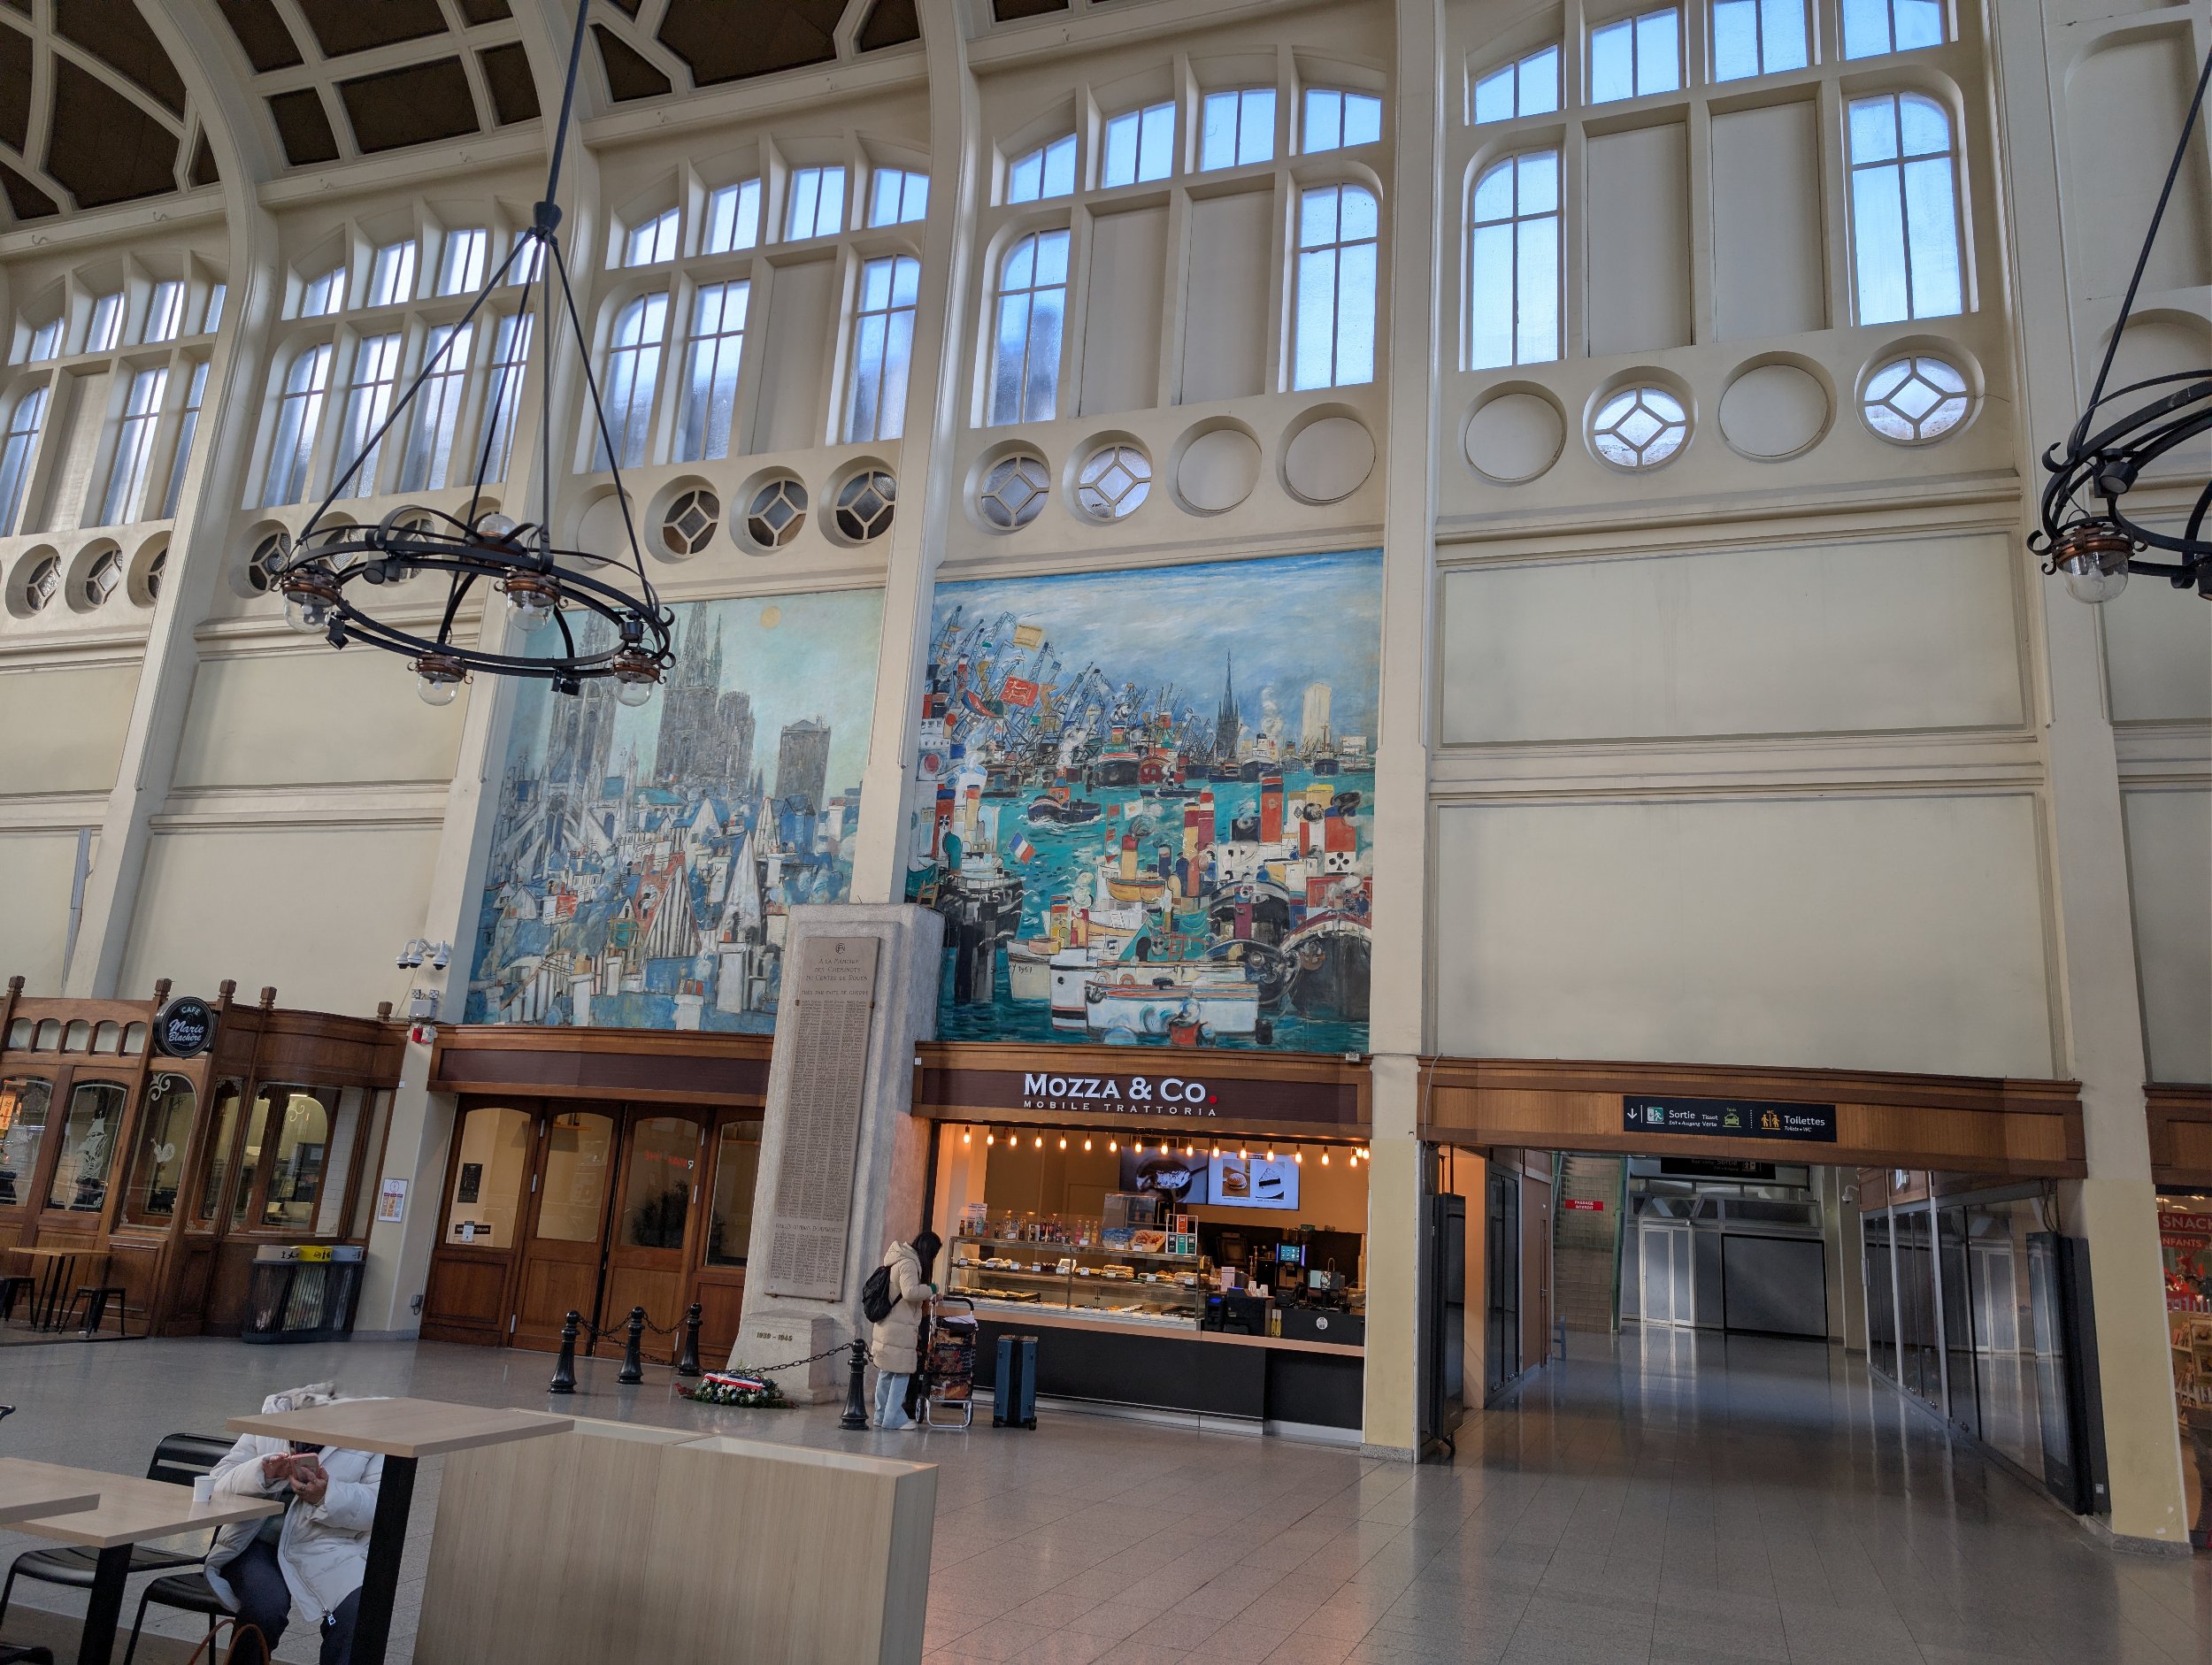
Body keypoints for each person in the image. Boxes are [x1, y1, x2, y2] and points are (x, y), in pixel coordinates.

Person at [203, 1385, 383, 1665]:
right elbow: (218, 1484)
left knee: (351, 1615)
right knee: (265, 1608)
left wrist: (327, 1495)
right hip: (256, 1544)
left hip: (329, 1549)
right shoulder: (273, 1417)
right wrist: (261, 1473)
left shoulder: (373, 1432)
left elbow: (377, 1508)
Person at [869, 1231, 941, 1430]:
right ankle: (893, 1418)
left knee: (887, 1372)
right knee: (901, 1373)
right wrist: (931, 1289)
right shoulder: (909, 1263)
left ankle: (881, 1415)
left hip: (889, 1325)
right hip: (898, 1327)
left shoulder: (899, 1258)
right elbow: (910, 1292)